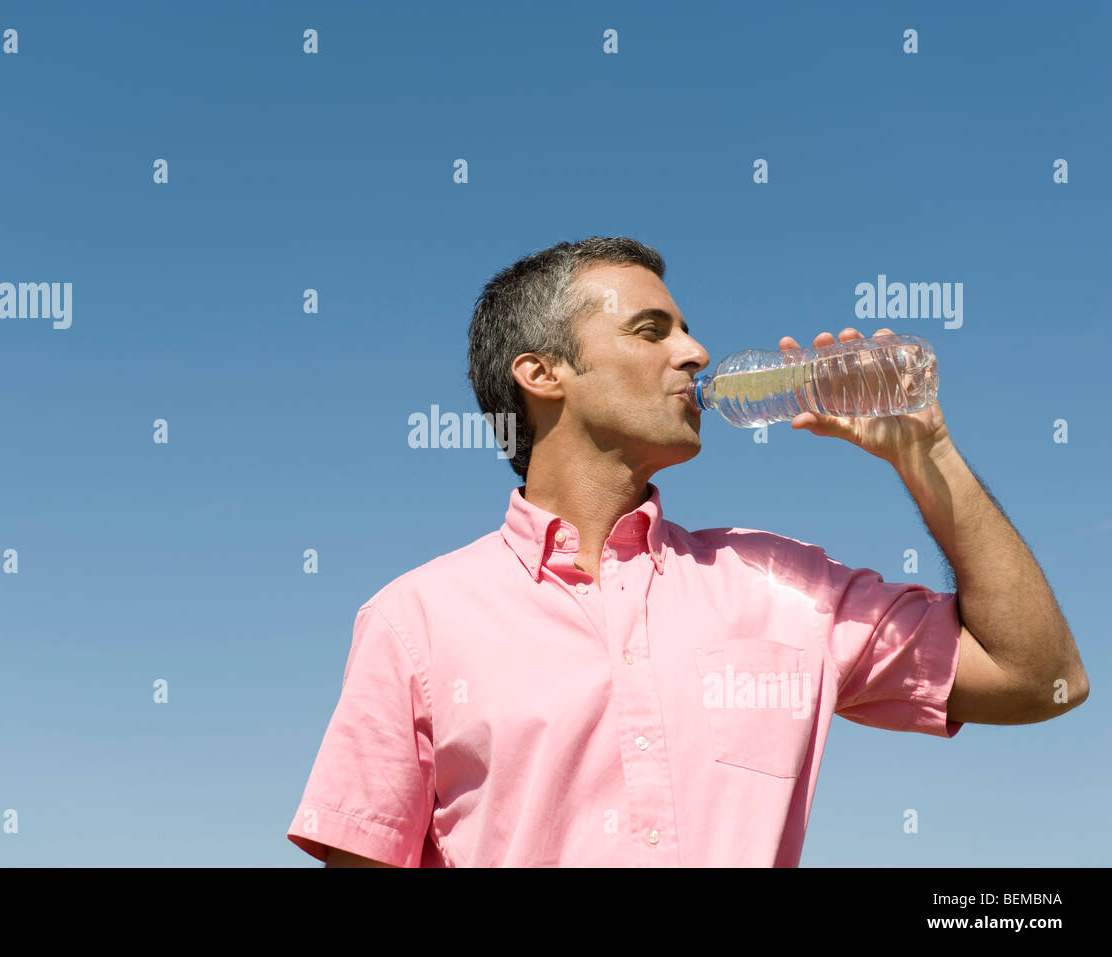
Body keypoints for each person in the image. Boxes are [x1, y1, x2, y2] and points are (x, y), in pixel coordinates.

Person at [285, 236, 1089, 867]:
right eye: (652, 330)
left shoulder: (787, 586)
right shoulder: (415, 622)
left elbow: (1042, 678)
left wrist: (930, 453)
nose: (697, 352)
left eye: (688, 328)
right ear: (541, 372)